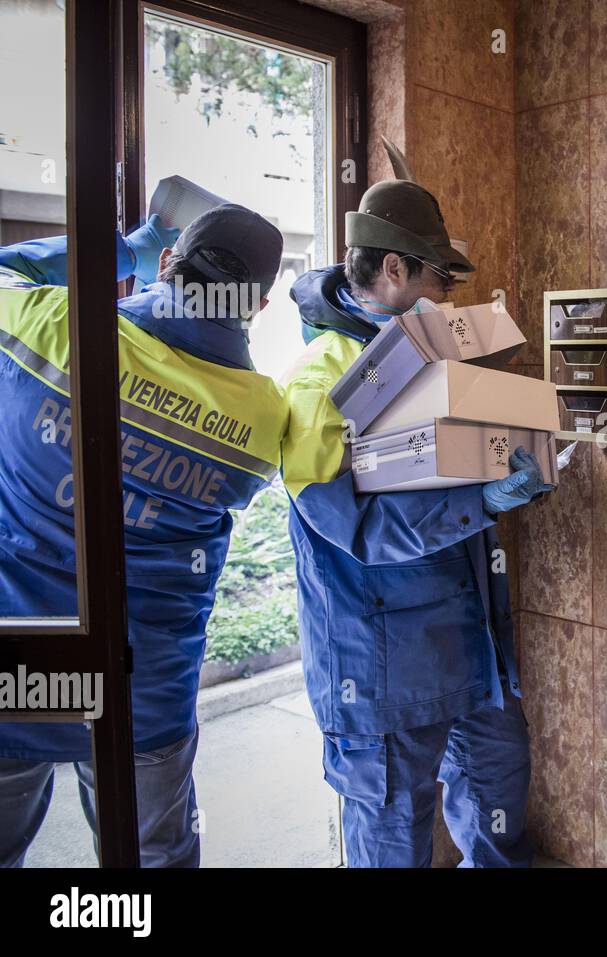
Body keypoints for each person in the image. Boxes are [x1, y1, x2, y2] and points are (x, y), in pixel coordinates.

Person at [0, 204, 287, 866]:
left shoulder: (50, 327)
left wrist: (122, 250)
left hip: (22, 667)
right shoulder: (263, 417)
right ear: (261, 303)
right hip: (143, 690)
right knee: (153, 864)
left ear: (167, 262)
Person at [281, 163, 550, 867]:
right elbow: (353, 528)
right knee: (393, 838)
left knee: (498, 798)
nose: (447, 302)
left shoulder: (429, 357)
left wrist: (515, 460)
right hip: (380, 671)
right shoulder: (319, 383)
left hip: (470, 648)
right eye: (441, 283)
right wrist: (480, 501)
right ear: (396, 268)